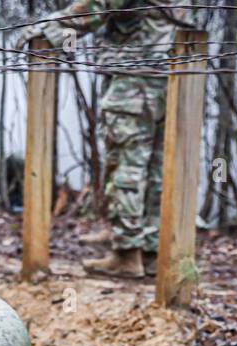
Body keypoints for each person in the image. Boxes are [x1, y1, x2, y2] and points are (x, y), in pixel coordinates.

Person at [21, 0, 178, 278]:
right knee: (156, 169)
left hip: (134, 77)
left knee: (127, 166)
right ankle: (150, 251)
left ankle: (127, 253)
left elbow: (98, 5)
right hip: (169, 74)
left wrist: (48, 28)